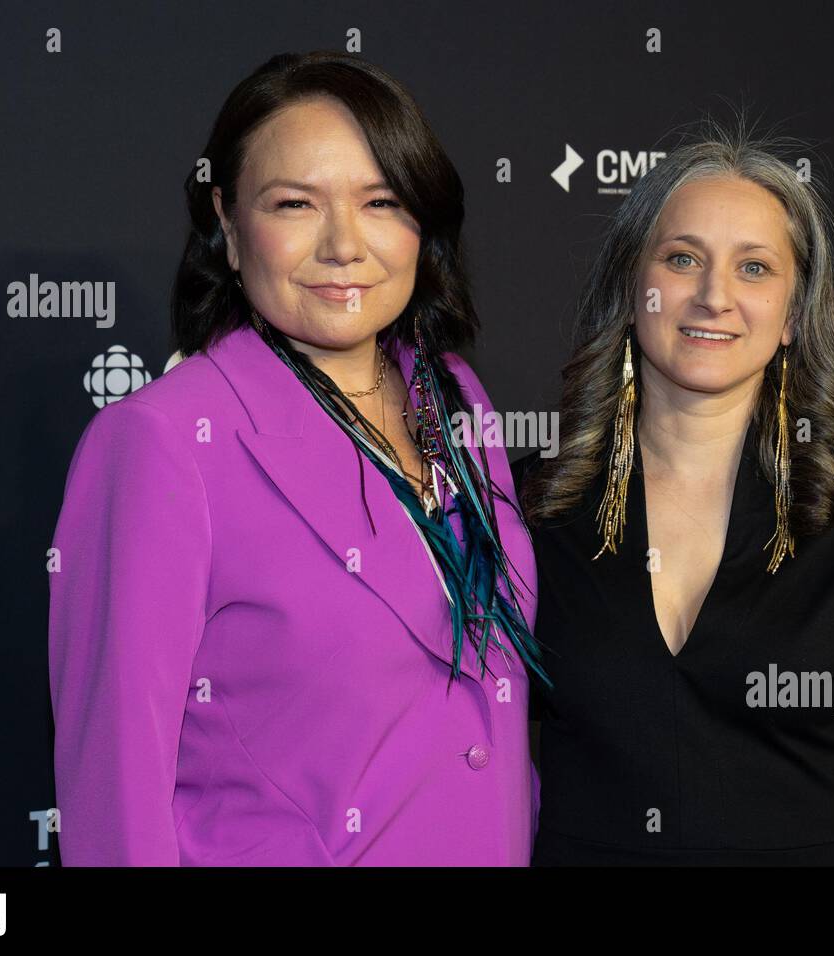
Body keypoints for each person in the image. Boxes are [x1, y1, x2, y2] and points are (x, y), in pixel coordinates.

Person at [48, 50, 547, 866]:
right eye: (294, 204)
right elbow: (114, 791)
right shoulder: (161, 444)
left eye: (381, 201)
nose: (344, 245)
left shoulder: (456, 399)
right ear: (229, 225)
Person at [513, 119, 834, 866]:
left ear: (795, 315)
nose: (713, 296)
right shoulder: (525, 509)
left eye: (755, 268)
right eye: (682, 257)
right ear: (633, 292)